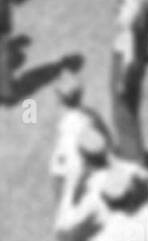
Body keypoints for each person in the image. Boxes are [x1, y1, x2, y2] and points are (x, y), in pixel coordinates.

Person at [109, 0, 148, 162]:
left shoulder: (129, 12)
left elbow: (129, 49)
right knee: (129, 109)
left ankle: (132, 158)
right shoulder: (139, 0)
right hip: (137, 59)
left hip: (126, 61)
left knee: (123, 112)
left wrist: (123, 81)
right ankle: (135, 154)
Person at [49, 72, 114, 201]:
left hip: (75, 171)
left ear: (59, 99)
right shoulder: (91, 114)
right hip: (93, 166)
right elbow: (108, 138)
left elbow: (62, 157)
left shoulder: (66, 124)